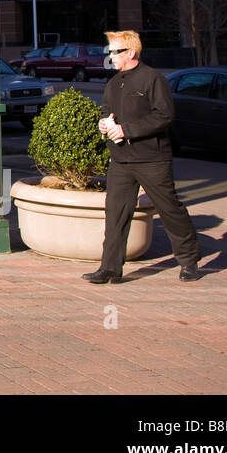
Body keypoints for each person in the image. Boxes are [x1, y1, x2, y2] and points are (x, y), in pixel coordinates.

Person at [83, 30, 202, 284]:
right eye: (109, 51)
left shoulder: (153, 79)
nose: (111, 57)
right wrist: (104, 124)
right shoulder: (114, 83)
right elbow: (106, 111)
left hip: (152, 159)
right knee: (115, 214)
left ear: (131, 53)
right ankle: (109, 268)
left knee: (169, 209)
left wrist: (126, 130)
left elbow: (164, 116)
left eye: (115, 52)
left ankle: (189, 260)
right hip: (121, 160)